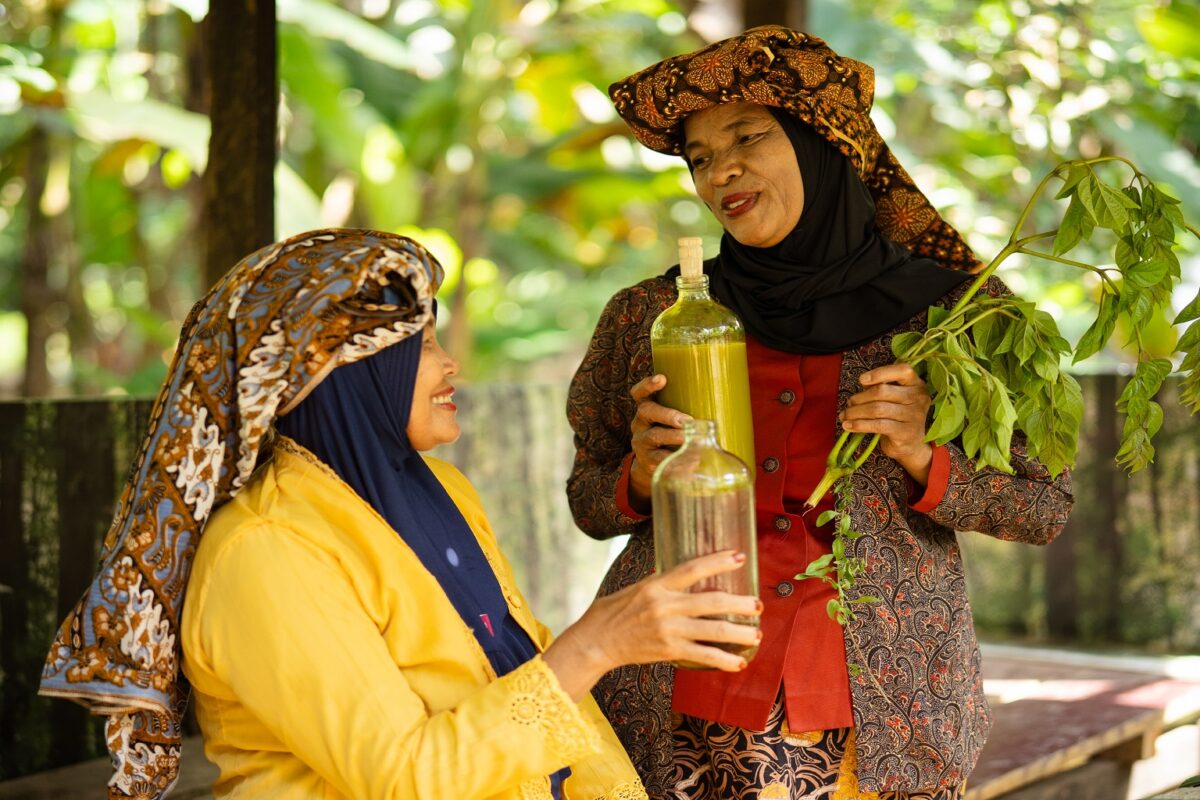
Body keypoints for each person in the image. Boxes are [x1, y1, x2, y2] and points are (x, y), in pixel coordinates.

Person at [39, 229, 762, 800]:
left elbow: (513, 668)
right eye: (421, 347)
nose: (451, 367)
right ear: (343, 375)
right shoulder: (265, 552)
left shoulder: (441, 490)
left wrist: (626, 647)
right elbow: (404, 778)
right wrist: (596, 645)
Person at [567, 26, 1074, 799]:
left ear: (823, 143)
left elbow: (1045, 506)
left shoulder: (956, 318)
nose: (719, 170)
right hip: (669, 704)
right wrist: (637, 477)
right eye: (698, 157)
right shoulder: (650, 316)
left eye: (748, 137)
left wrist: (920, 452)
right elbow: (588, 499)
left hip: (880, 709)